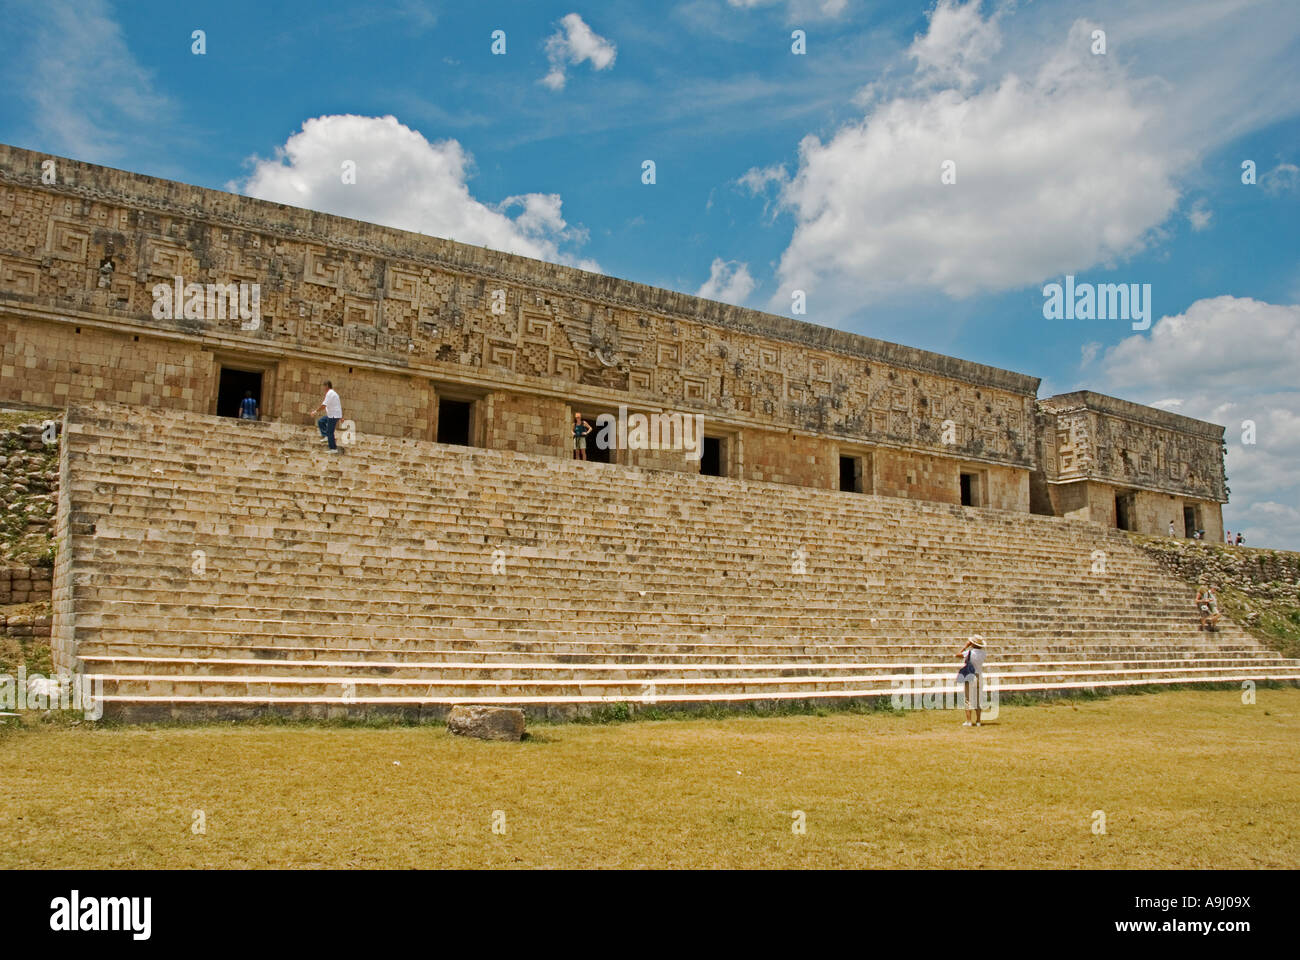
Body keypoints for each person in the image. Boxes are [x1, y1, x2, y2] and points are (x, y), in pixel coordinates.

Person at [955, 636, 987, 727]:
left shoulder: (969, 652)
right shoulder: (983, 653)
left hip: (970, 675)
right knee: (977, 699)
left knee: (968, 699)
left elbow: (957, 654)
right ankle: (978, 721)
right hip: (979, 675)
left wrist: (965, 646)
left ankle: (969, 721)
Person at [313, 380, 343, 453]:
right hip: (333, 415)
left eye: (324, 386)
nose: (323, 388)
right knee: (321, 421)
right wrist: (341, 416)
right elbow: (338, 405)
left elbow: (324, 405)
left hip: (333, 415)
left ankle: (333, 448)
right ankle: (326, 436)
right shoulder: (333, 393)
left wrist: (315, 411)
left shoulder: (330, 393)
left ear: (327, 386)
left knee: (330, 432)